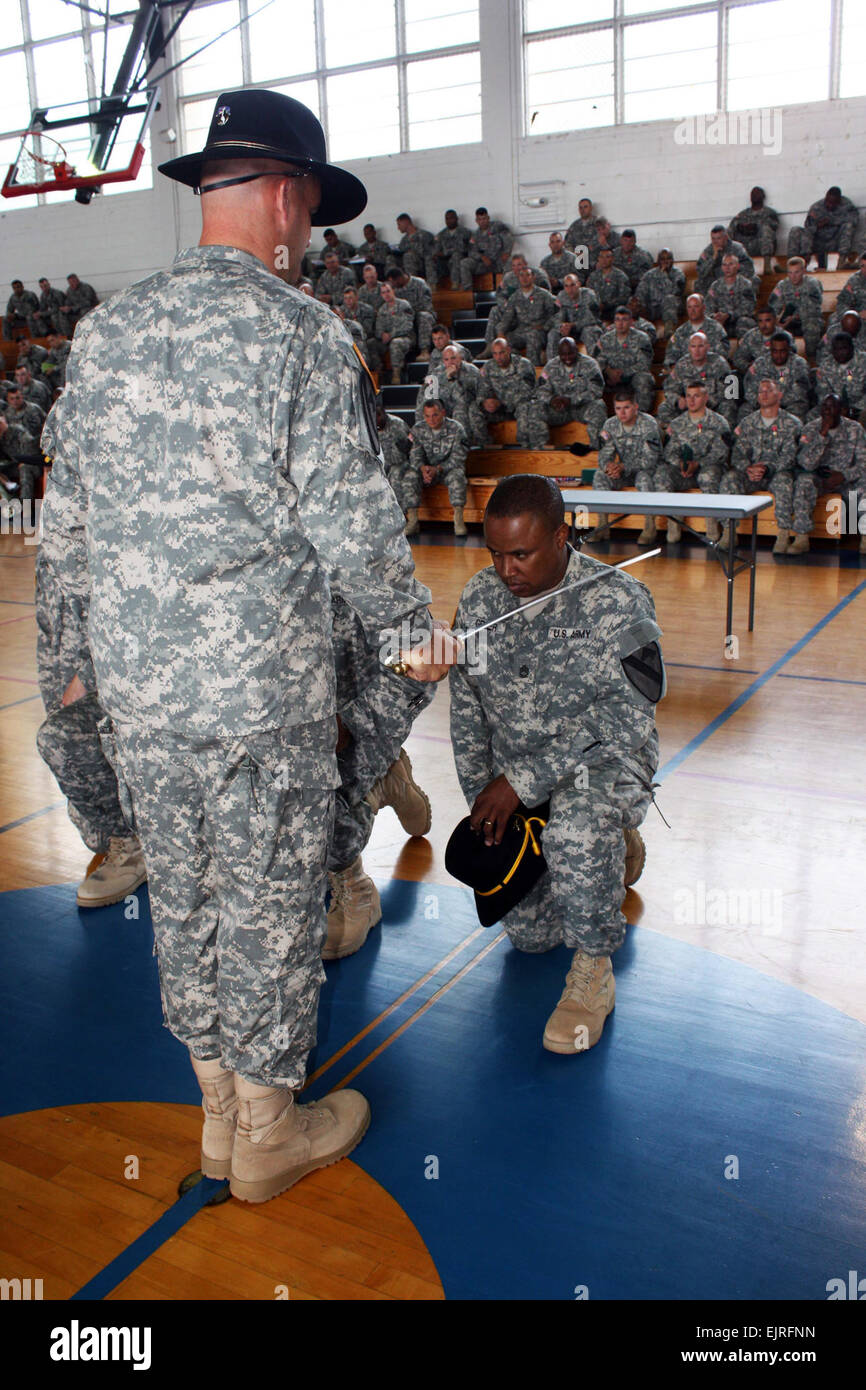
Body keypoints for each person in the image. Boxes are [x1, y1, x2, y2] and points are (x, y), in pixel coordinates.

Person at [38, 87, 456, 1205]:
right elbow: (352, 522)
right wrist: (412, 636)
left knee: (182, 899)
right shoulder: (301, 335)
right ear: (285, 196)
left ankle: (218, 1113)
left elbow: (62, 530)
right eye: (309, 210)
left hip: (140, 694)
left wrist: (74, 675)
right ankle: (268, 1131)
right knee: (267, 905)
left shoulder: (105, 332)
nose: (305, 236)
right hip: (257, 694)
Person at [449, 475, 663, 1053]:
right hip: (520, 779)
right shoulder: (480, 598)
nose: (505, 569)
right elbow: (467, 705)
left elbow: (625, 721)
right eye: (494, 553)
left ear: (562, 536)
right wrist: (484, 798)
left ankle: (594, 969)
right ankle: (603, 854)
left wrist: (519, 782)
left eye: (521, 553)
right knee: (532, 939)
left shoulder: (618, 601)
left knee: (575, 830)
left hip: (607, 762)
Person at [722, 378, 803, 554]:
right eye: (760, 391)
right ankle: (729, 532)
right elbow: (738, 454)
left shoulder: (792, 423)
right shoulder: (748, 422)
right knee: (730, 478)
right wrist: (748, 468)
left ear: (779, 395)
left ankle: (783, 533)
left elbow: (791, 456)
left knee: (784, 483)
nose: (764, 395)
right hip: (751, 474)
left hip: (776, 473)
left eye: (769, 391)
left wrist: (768, 469)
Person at [791, 395, 866, 554]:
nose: (827, 411)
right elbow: (805, 463)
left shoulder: (855, 429)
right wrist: (822, 435)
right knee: (803, 482)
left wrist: (843, 475)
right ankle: (802, 537)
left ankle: (865, 539)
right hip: (820, 480)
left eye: (831, 407)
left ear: (842, 410)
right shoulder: (811, 428)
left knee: (864, 484)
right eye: (824, 407)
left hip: (846, 480)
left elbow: (863, 463)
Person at [661, 381, 732, 542]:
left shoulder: (718, 422)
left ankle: (712, 528)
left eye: (697, 396)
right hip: (684, 471)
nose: (691, 401)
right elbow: (669, 452)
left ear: (706, 398)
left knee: (708, 475)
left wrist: (698, 464)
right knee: (663, 475)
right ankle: (673, 524)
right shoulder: (677, 423)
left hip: (708, 469)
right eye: (688, 396)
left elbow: (721, 453)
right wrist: (680, 464)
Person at [401, 400, 470, 538]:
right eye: (427, 416)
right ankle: (413, 521)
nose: (431, 420)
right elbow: (415, 454)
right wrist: (422, 469)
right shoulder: (418, 429)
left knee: (457, 477)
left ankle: (458, 521)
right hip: (426, 471)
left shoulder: (456, 428)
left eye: (435, 415)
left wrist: (437, 469)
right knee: (409, 476)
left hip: (447, 470)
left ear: (443, 413)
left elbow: (458, 457)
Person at [479, 338, 550, 449]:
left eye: (501, 352)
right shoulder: (488, 367)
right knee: (474, 408)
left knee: (527, 407)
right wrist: (485, 402)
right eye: (495, 354)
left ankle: (526, 449)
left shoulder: (523, 364)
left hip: (520, 407)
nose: (498, 357)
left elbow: (528, 393)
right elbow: (482, 390)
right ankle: (485, 447)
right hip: (499, 410)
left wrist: (501, 402)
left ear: (508, 350)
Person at [537, 337, 606, 447]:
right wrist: (551, 400)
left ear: (576, 351)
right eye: (563, 355)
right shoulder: (551, 366)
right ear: (558, 354)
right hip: (559, 410)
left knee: (598, 406)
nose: (567, 358)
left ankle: (596, 450)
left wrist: (572, 400)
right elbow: (541, 390)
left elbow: (596, 391)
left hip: (582, 408)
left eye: (570, 354)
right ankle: (540, 450)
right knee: (535, 407)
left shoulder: (590, 364)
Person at [593, 305, 654, 412]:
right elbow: (597, 360)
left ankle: (642, 416)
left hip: (632, 377)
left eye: (624, 320)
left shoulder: (642, 338)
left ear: (631, 321)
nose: (620, 324)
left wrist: (622, 375)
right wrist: (608, 371)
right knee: (592, 378)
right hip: (610, 378)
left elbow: (644, 364)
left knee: (644, 379)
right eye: (617, 320)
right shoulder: (606, 338)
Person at [497, 266, 560, 366]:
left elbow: (556, 314)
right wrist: (501, 333)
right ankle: (517, 368)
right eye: (521, 275)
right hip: (521, 331)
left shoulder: (544, 295)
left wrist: (545, 326)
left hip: (539, 332)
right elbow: (507, 318)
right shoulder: (514, 297)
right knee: (504, 342)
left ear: (533, 277)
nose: (524, 278)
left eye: (528, 275)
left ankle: (534, 369)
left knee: (533, 336)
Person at [787, 187, 861, 268]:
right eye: (828, 202)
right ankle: (792, 264)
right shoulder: (816, 207)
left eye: (833, 203)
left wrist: (831, 221)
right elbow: (808, 230)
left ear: (839, 201)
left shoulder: (847, 205)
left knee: (848, 226)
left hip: (835, 241)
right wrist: (806, 251)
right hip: (818, 242)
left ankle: (842, 261)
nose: (830, 205)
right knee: (795, 230)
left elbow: (854, 220)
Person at [768, 258, 824, 358]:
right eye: (790, 272)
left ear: (803, 271)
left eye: (796, 272)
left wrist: (794, 317)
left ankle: (812, 359)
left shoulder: (812, 284)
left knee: (812, 326)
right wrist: (776, 320)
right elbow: (773, 307)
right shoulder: (782, 285)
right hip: (788, 322)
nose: (793, 276)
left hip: (808, 319)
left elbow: (813, 309)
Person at [813, 333, 866, 425]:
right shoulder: (826, 365)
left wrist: (854, 409)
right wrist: (836, 409)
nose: (839, 353)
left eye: (843, 349)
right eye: (836, 349)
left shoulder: (863, 361)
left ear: (852, 348)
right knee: (812, 416)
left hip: (861, 407)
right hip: (835, 408)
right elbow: (823, 393)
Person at [664, 293, 729, 366]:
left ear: (703, 308)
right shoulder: (680, 331)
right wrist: (673, 367)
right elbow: (670, 356)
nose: (692, 310)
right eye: (689, 307)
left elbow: (723, 355)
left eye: (696, 306)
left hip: (710, 371)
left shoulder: (716, 328)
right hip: (686, 372)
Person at [386, 267, 436, 360]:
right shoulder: (396, 290)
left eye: (393, 282)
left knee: (423, 316)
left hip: (423, 316)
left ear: (399, 278)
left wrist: (409, 311)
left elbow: (426, 306)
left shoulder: (419, 284)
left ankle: (425, 350)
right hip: (406, 320)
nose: (392, 285)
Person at [548, 273, 602, 358]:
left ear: (579, 284)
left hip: (586, 327)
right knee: (553, 333)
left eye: (572, 285)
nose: (570, 289)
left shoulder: (589, 295)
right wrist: (563, 326)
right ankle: (552, 365)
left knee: (590, 332)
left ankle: (595, 363)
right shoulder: (561, 296)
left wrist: (573, 325)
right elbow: (557, 318)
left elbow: (592, 319)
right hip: (570, 331)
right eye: (566, 286)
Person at [705, 253, 758, 340]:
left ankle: (743, 351)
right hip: (721, 322)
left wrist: (729, 315)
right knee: (708, 325)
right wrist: (714, 316)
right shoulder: (715, 285)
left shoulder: (746, 284)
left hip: (738, 321)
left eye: (730, 264)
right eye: (724, 265)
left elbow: (748, 308)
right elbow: (707, 307)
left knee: (744, 322)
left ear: (737, 266)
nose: (727, 268)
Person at [635, 249, 685, 337]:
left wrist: (664, 275)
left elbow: (674, 292)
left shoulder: (678, 274)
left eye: (668, 258)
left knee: (670, 299)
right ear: (658, 261)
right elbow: (640, 292)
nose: (665, 262)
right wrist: (640, 305)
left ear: (672, 260)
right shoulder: (649, 275)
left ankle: (669, 329)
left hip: (671, 308)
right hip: (653, 308)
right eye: (662, 259)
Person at [459, 207, 513, 288]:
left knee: (511, 261)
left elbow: (508, 238)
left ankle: (508, 289)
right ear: (476, 221)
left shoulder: (497, 227)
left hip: (499, 261)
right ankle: (468, 291)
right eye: (479, 219)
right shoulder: (475, 235)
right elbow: (471, 252)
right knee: (464, 263)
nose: (482, 222)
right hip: (484, 264)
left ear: (488, 218)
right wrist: (482, 257)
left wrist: (507, 252)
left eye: (484, 219)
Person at [727, 187, 780, 269]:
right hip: (744, 246)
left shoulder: (769, 212)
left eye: (757, 194)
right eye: (753, 194)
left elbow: (773, 226)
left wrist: (755, 227)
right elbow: (733, 226)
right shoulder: (743, 214)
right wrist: (742, 228)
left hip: (759, 246)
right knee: (727, 231)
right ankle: (723, 260)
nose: (754, 196)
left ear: (763, 196)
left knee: (766, 229)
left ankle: (767, 265)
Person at [376, 279, 416, 384]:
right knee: (371, 344)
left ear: (393, 291)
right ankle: (378, 374)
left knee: (395, 343)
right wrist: (382, 334)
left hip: (406, 338)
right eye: (383, 292)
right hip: (387, 340)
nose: (386, 294)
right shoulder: (382, 309)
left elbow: (407, 326)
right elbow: (378, 328)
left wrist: (391, 335)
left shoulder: (404, 305)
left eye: (388, 291)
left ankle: (396, 375)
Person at [695, 226, 755, 293]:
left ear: (726, 237)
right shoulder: (708, 250)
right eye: (713, 239)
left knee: (752, 281)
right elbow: (700, 272)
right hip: (717, 280)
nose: (715, 242)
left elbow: (749, 267)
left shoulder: (737, 248)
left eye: (718, 238)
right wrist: (713, 257)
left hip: (735, 277)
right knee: (699, 283)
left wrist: (732, 271)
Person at [395, 213, 437, 284]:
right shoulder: (403, 241)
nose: (398, 228)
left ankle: (413, 284)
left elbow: (432, 252)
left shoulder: (425, 235)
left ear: (406, 222)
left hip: (424, 264)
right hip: (408, 266)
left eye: (399, 224)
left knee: (409, 256)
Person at [434, 210, 472, 286]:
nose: (449, 221)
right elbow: (437, 250)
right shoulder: (441, 234)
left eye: (451, 218)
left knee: (456, 255)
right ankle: (433, 285)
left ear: (456, 219)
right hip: (445, 262)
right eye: (447, 219)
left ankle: (455, 283)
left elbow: (466, 249)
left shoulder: (465, 232)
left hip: (460, 259)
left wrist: (446, 252)